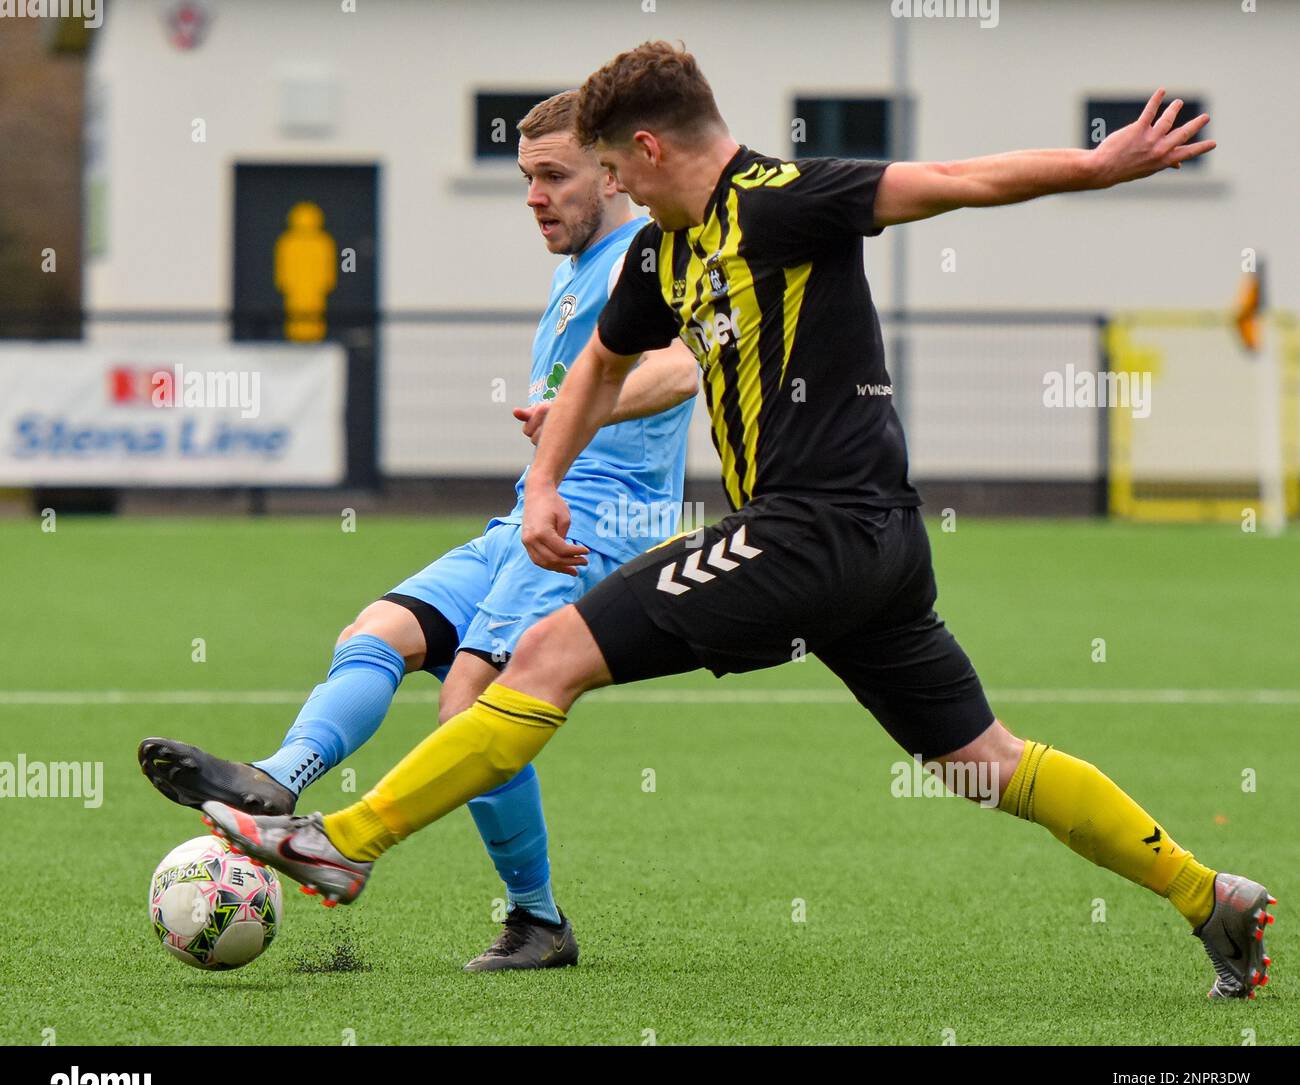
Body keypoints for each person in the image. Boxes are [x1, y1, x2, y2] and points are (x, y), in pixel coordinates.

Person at [202, 43, 1274, 999]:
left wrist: (1095, 166)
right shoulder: (663, 253)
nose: (611, 187)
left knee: (546, 652)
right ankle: (1205, 891)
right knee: (980, 760)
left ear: (653, 148)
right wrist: (541, 486)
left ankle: (342, 841)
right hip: (872, 549)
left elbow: (949, 180)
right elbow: (597, 369)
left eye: (614, 168)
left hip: (814, 530)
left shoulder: (783, 198)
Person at [139, 88, 698, 972]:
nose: (533, 197)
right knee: (377, 630)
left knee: (470, 705)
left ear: (613, 170)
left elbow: (682, 369)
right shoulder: (573, 268)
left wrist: (575, 413)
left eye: (553, 177)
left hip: (592, 526)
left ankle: (536, 921)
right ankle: (277, 781)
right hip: (531, 511)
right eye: (524, 179)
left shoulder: (645, 254)